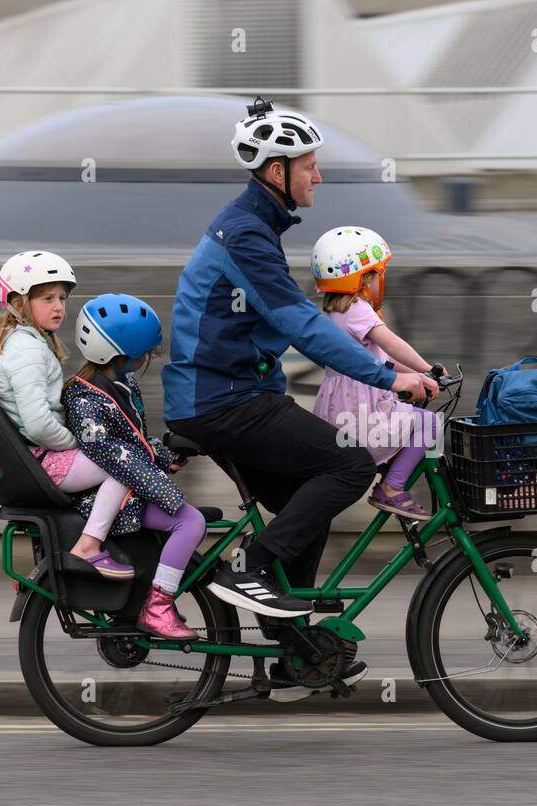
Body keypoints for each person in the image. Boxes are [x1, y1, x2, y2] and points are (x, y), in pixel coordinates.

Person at [161, 97, 437, 700]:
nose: (319, 175)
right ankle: (253, 570)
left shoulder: (253, 228)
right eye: (310, 165)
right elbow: (302, 326)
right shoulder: (246, 236)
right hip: (224, 401)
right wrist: (389, 379)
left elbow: (290, 323)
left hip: (229, 395)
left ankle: (294, 649)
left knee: (304, 511)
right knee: (348, 464)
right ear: (275, 170)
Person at [0, 251, 133, 579]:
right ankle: (89, 546)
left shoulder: (17, 342)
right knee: (125, 463)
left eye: (62, 297)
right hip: (39, 459)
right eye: (47, 298)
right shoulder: (28, 351)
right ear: (18, 303)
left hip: (29, 457)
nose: (59, 306)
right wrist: (76, 441)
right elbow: (37, 424)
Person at [61, 294, 207, 640]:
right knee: (190, 522)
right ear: (119, 354)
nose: (147, 359)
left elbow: (133, 441)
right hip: (106, 501)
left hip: (127, 489)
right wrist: (158, 482)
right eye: (144, 353)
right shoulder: (84, 398)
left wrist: (162, 456)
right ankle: (158, 607)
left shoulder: (121, 384)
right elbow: (109, 452)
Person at [310, 226, 443, 520]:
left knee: (412, 421)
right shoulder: (358, 309)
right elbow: (393, 346)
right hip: (361, 413)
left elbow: (383, 364)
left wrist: (423, 377)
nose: (379, 281)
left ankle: (390, 478)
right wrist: (426, 368)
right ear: (361, 277)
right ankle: (393, 489)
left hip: (340, 413)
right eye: (375, 274)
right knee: (431, 424)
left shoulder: (334, 313)